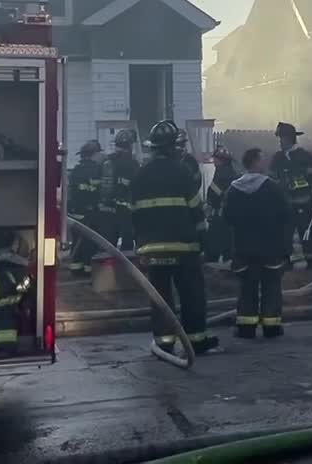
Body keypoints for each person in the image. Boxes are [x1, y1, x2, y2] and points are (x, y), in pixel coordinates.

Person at [131, 120, 219, 354]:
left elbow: (135, 214)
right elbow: (195, 209)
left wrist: (139, 244)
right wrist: (203, 240)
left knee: (160, 298)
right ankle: (196, 339)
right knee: (192, 294)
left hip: (152, 249)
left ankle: (164, 342)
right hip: (184, 247)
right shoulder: (183, 171)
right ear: (171, 148)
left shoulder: (140, 175)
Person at [223, 148, 292, 338]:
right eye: (262, 159)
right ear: (255, 162)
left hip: (244, 247)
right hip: (270, 247)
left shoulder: (234, 189)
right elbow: (286, 214)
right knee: (271, 285)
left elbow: (227, 216)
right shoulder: (272, 187)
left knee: (247, 287)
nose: (265, 162)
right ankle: (272, 327)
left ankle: (246, 327)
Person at [270, 122, 312, 269]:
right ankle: (287, 262)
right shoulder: (277, 158)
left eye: (282, 138)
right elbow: (272, 181)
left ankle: (311, 262)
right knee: (284, 234)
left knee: (306, 232)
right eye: (279, 138)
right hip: (284, 204)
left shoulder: (304, 157)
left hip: (304, 202)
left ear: (290, 138)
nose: (280, 141)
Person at [67, 139, 104, 276]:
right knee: (90, 243)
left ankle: (76, 269)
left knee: (77, 241)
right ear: (94, 154)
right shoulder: (97, 170)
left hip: (75, 213)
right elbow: (99, 192)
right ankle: (88, 270)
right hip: (91, 212)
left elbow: (72, 193)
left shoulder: (76, 170)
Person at [101, 129, 140, 252]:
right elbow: (136, 186)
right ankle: (126, 268)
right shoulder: (133, 164)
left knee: (109, 242)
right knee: (127, 241)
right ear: (130, 145)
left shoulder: (107, 161)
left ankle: (109, 268)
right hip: (126, 210)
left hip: (107, 209)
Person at [204, 145, 239, 262]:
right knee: (228, 241)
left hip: (220, 214)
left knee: (214, 240)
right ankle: (227, 259)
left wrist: (209, 207)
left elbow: (214, 194)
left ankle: (212, 260)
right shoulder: (231, 172)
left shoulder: (221, 174)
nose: (214, 161)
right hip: (230, 214)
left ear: (222, 160)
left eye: (216, 159)